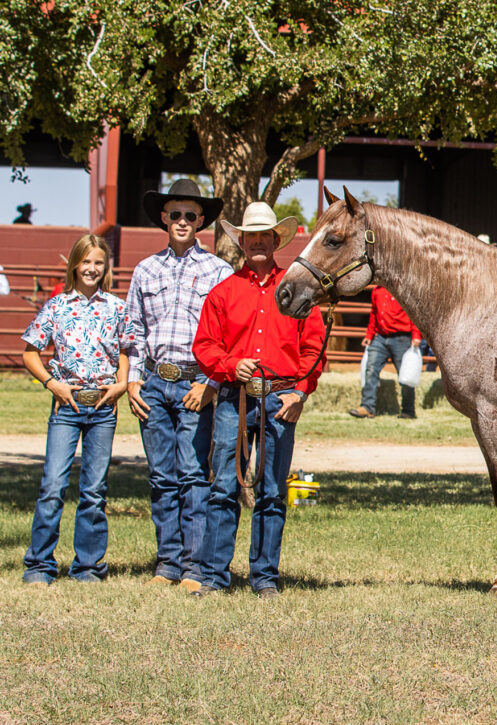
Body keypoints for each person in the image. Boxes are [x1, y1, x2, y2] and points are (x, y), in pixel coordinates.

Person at [192, 202, 326, 598]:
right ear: (242, 242)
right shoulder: (223, 293)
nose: (257, 243)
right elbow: (205, 346)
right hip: (236, 397)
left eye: (264, 236)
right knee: (223, 487)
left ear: (275, 240)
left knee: (271, 490)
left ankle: (264, 577)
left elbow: (314, 346)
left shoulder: (297, 291)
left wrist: (301, 392)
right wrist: (232, 365)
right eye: (250, 237)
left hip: (280, 398)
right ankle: (215, 576)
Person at [124, 178, 232, 593]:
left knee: (192, 474)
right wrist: (133, 380)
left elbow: (226, 334)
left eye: (191, 215)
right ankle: (167, 561)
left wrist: (208, 382)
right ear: (164, 220)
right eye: (175, 214)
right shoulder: (145, 269)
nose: (183, 221)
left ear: (201, 221)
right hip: (154, 381)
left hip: (194, 383)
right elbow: (133, 330)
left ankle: (194, 566)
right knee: (161, 477)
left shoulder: (218, 271)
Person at [20, 235, 134, 586]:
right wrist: (51, 383)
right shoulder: (56, 306)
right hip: (66, 406)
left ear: (106, 267)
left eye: (98, 262)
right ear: (75, 264)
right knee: (53, 484)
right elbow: (29, 351)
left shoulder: (116, 307)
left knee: (94, 490)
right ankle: (40, 564)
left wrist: (122, 382)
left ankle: (88, 566)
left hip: (102, 406)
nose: (92, 269)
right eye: (86, 262)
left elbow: (127, 350)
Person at [349, 285, 422, 419]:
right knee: (371, 369)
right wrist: (369, 335)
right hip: (380, 337)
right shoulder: (377, 290)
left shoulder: (403, 289)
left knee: (405, 374)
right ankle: (367, 407)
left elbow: (414, 312)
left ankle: (408, 410)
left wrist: (416, 334)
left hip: (402, 336)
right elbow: (374, 314)